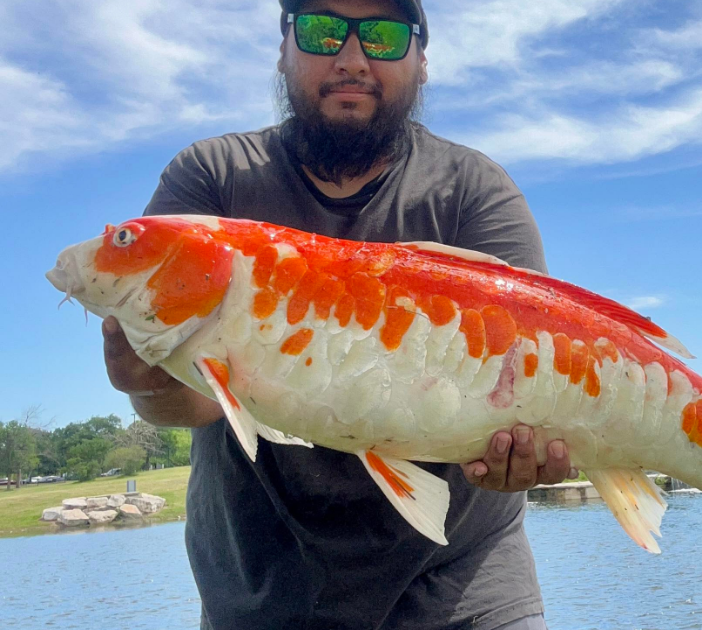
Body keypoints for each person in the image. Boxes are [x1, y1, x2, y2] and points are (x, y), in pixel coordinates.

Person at [100, 0, 573, 628]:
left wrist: (533, 453)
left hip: (466, 587)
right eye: (323, 30)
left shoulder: (474, 191)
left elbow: (545, 375)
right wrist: (150, 381)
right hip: (260, 590)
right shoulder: (212, 179)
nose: (352, 60)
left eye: (382, 35)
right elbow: (194, 403)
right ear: (284, 51)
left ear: (422, 61)